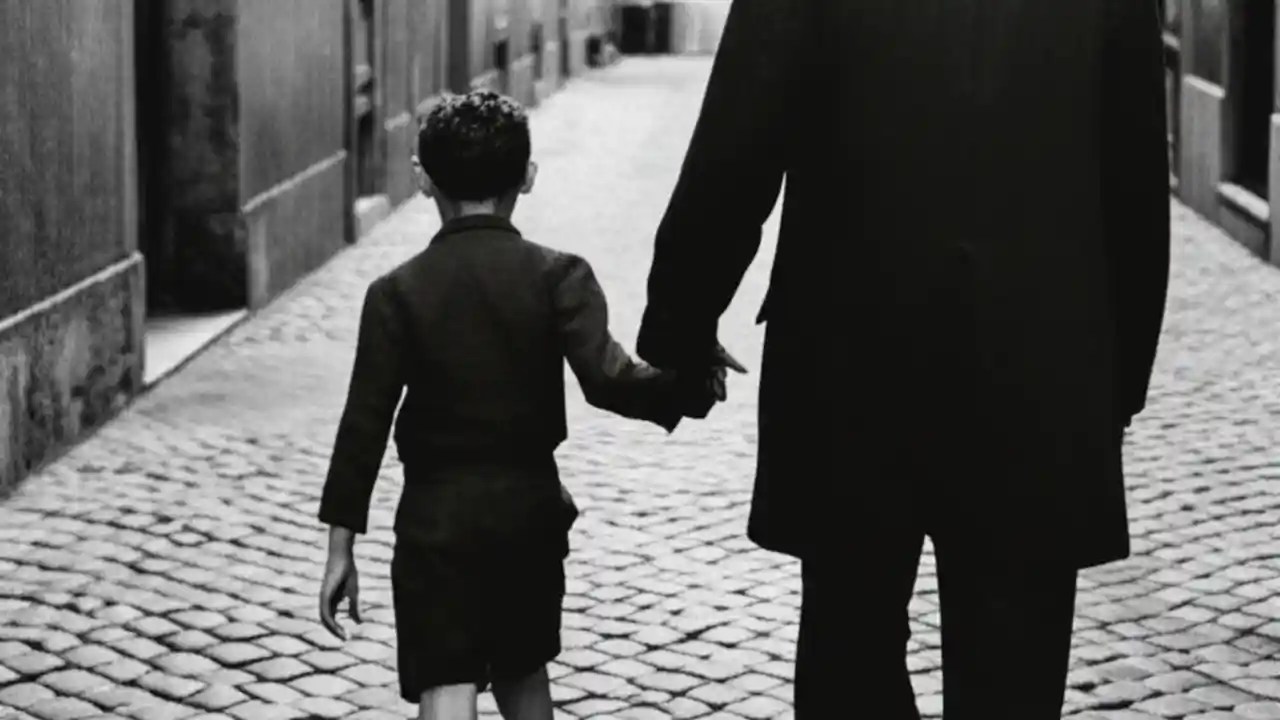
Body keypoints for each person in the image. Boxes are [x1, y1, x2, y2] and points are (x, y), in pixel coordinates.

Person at [636, 1, 1171, 718]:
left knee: (849, 645)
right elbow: (1136, 168)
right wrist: (1120, 375)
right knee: (1014, 661)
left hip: (850, 352)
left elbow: (741, 133)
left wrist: (681, 321)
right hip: (1039, 358)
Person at [315, 90, 722, 720]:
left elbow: (362, 425)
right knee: (524, 676)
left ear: (424, 181)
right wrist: (689, 383)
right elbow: (610, 378)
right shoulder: (560, 277)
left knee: (446, 684)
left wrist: (341, 545)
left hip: (436, 521)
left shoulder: (394, 295)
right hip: (526, 516)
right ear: (526, 177)